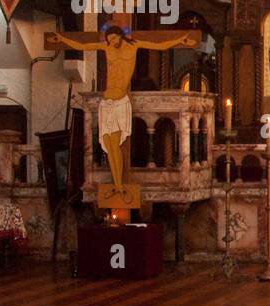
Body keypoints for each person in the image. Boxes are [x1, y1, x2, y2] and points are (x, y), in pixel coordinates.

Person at [45, 26, 195, 190]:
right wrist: (62, 39)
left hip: (120, 101)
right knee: (109, 145)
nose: (112, 43)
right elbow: (82, 46)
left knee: (115, 144)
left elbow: (159, 45)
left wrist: (180, 40)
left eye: (114, 39)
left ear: (120, 36)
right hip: (107, 102)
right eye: (109, 40)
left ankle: (119, 185)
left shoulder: (134, 45)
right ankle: (116, 185)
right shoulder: (106, 46)